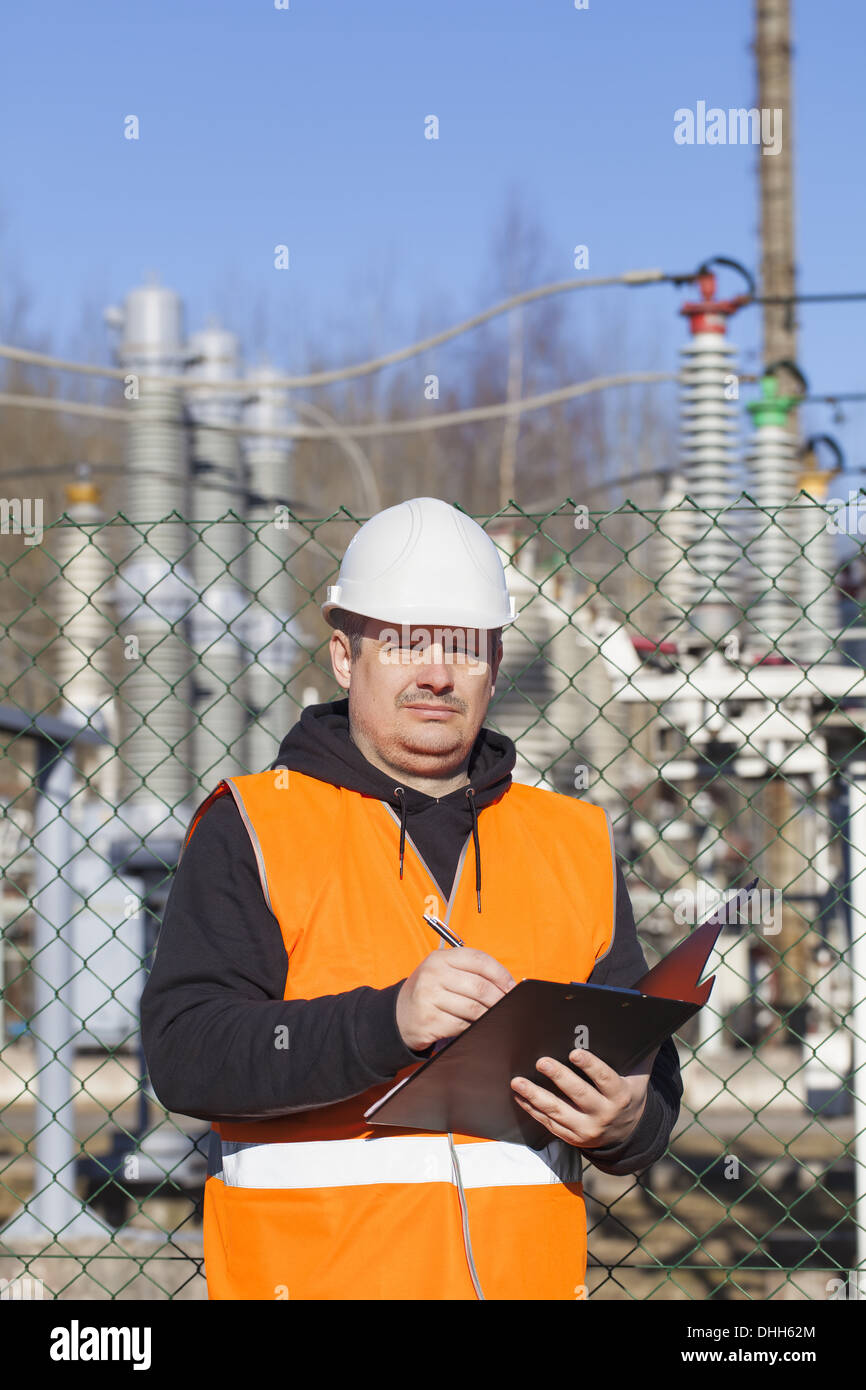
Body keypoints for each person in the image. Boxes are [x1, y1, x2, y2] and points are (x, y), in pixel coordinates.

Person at [141, 495, 682, 1301]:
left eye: (463, 648)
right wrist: (385, 1022)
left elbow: (646, 1070)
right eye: (404, 643)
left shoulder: (573, 840)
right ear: (344, 657)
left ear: (495, 665)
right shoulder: (256, 823)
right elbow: (188, 1056)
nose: (437, 672)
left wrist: (630, 1125)